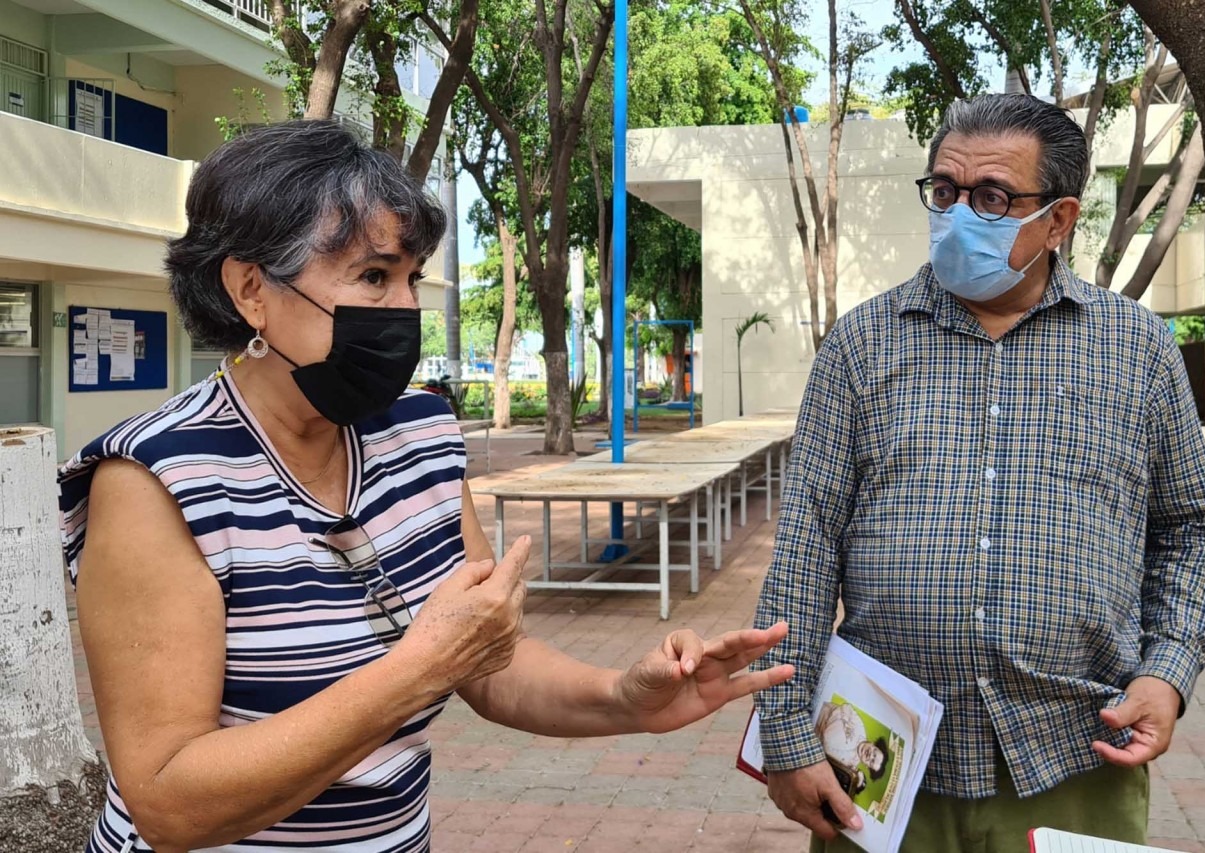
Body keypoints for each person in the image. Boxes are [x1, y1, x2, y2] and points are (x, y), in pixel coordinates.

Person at [59, 120, 794, 853]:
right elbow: (169, 801)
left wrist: (622, 696)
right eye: (374, 276)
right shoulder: (158, 482)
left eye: (411, 277)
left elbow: (489, 664)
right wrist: (416, 670)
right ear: (252, 288)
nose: (406, 307)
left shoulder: (418, 435)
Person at [750, 94, 1205, 853]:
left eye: (993, 197)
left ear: (1059, 220)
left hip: (1077, 760)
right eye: (945, 191)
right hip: (879, 763)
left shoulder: (1137, 350)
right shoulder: (861, 346)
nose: (959, 213)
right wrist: (786, 734)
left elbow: (1190, 529)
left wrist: (1167, 672)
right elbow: (805, 546)